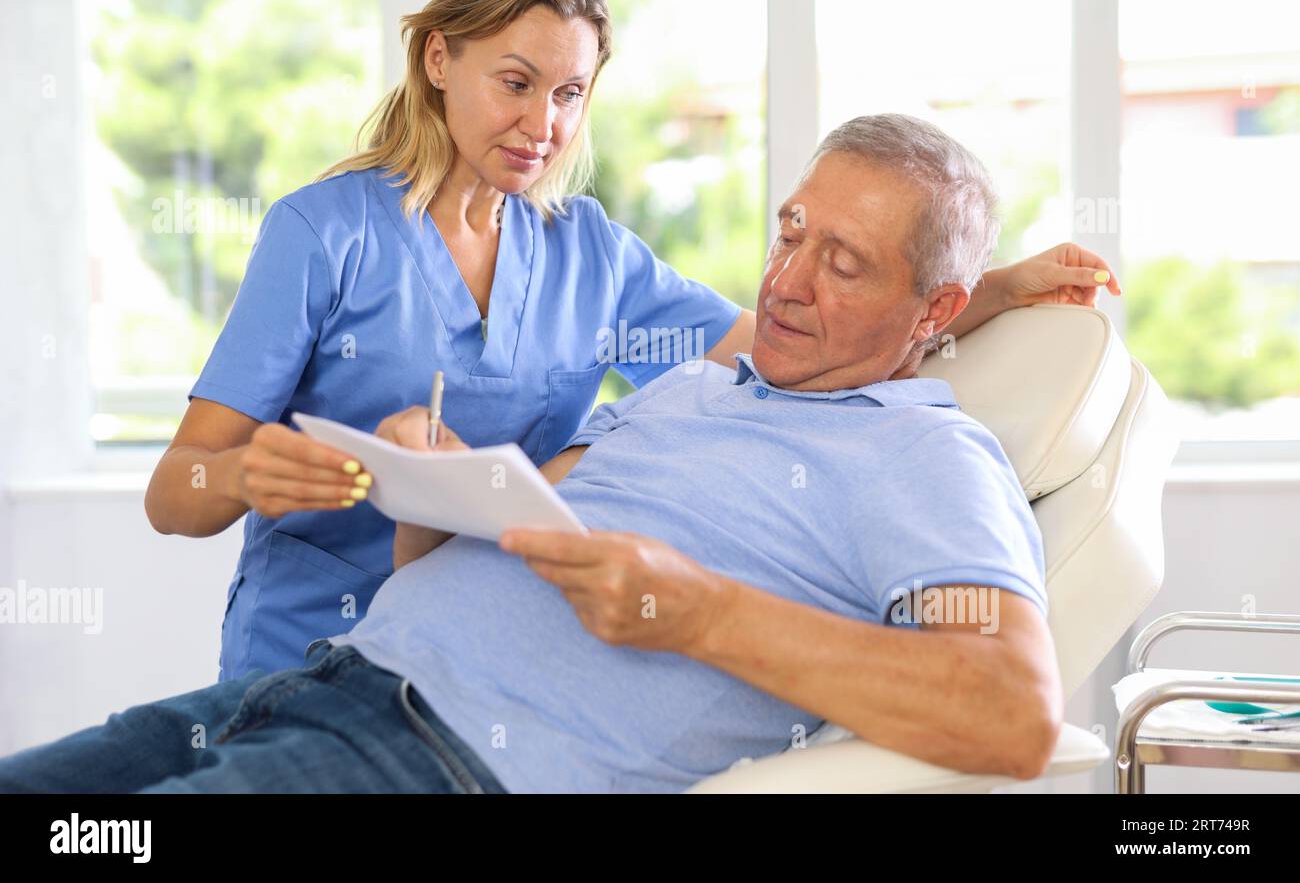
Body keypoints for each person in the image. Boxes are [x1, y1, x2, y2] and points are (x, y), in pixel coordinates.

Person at [145, 0, 1119, 684]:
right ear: (439, 59)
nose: (543, 126)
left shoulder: (589, 255)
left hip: (476, 665)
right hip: (302, 656)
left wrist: (980, 293)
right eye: (515, 84)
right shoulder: (323, 235)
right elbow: (175, 494)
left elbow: (789, 342)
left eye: (570, 93)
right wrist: (250, 474)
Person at [6, 115, 1063, 793]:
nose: (786, 284)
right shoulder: (692, 389)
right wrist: (431, 482)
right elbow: (459, 554)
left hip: (429, 762)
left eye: (842, 262)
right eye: (789, 234)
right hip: (311, 686)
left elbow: (1013, 710)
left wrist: (703, 611)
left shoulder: (924, 454)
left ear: (938, 308)